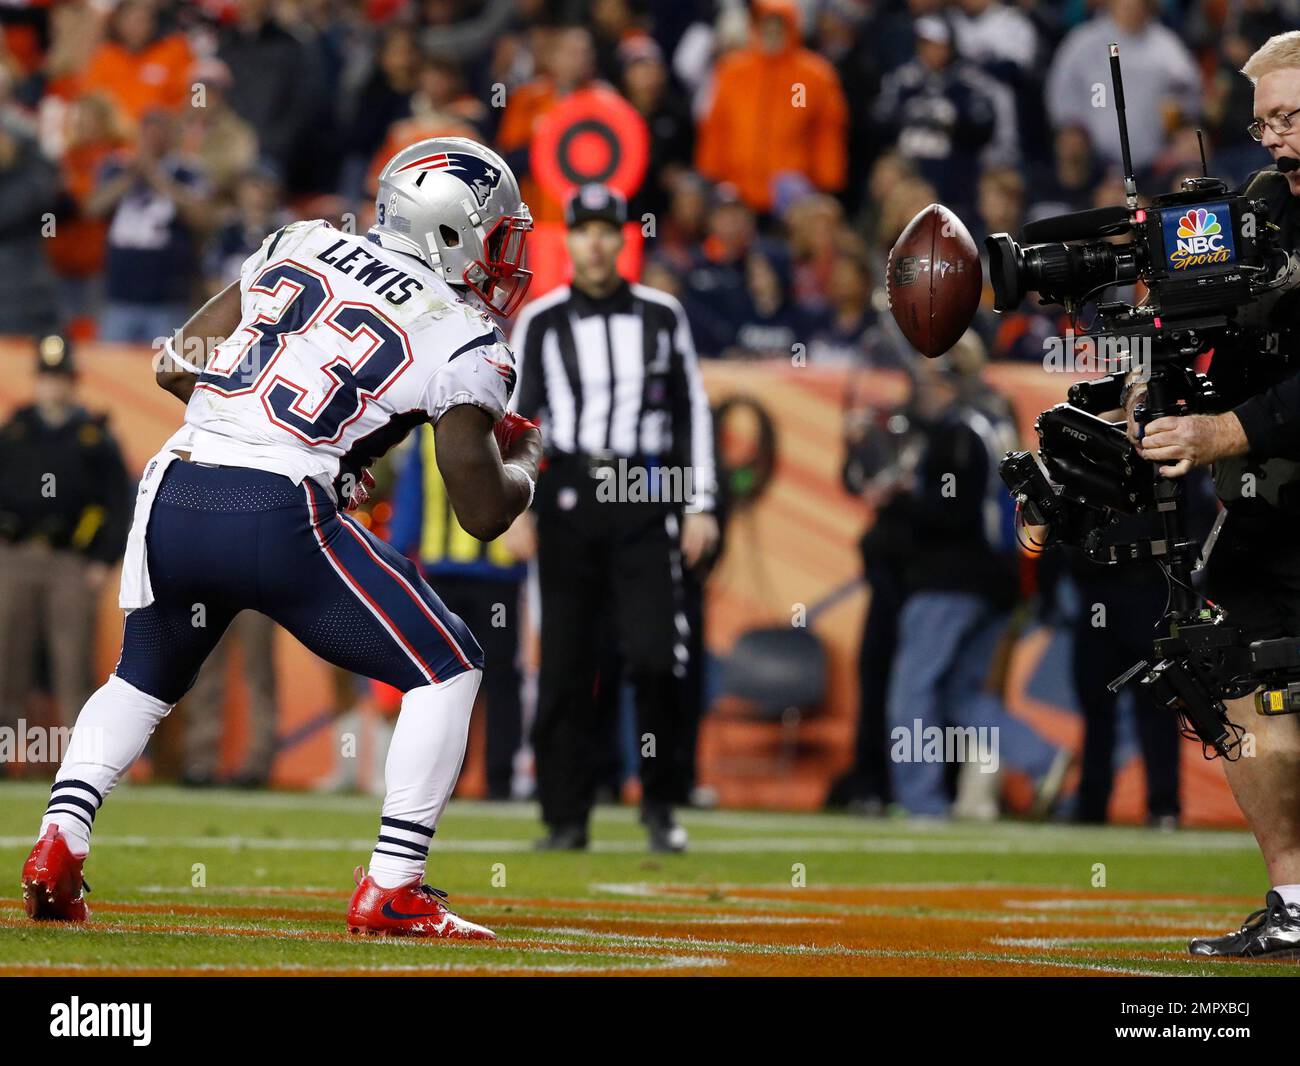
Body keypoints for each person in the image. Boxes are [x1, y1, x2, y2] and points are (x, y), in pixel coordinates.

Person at [20, 136, 541, 941]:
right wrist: (526, 468)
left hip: (178, 485)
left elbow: (176, 362)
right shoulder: (462, 335)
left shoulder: (303, 239)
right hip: (278, 509)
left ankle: (60, 841)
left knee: (142, 678)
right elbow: (481, 510)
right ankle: (395, 885)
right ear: (450, 232)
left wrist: (261, 421)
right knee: (450, 664)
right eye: (499, 233)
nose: (508, 254)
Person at [1123, 32, 1300, 958]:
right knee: (1224, 661)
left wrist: (1227, 430)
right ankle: (1297, 896)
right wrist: (1167, 390)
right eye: (1265, 119)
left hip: (1268, 455)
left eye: (1293, 117)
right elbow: (1227, 335)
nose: (1274, 138)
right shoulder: (1262, 204)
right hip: (1274, 496)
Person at [510, 183, 719, 852]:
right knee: (567, 664)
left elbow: (692, 411)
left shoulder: (662, 315)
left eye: (608, 229)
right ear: (568, 240)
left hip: (641, 489)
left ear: (624, 238)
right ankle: (565, 817)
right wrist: (511, 504)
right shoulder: (541, 319)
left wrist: (700, 503)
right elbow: (518, 423)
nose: (596, 242)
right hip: (568, 492)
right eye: (584, 230)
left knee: (657, 656)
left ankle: (661, 802)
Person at [0, 336, 130, 736]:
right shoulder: (15, 431)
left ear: (73, 382)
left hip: (71, 560)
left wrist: (102, 560)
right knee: (7, 658)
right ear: (36, 381)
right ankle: (6, 751)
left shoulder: (94, 438)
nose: (53, 386)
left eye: (60, 378)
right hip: (15, 554)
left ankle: (80, 756)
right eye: (46, 377)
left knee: (72, 661)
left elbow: (119, 504)